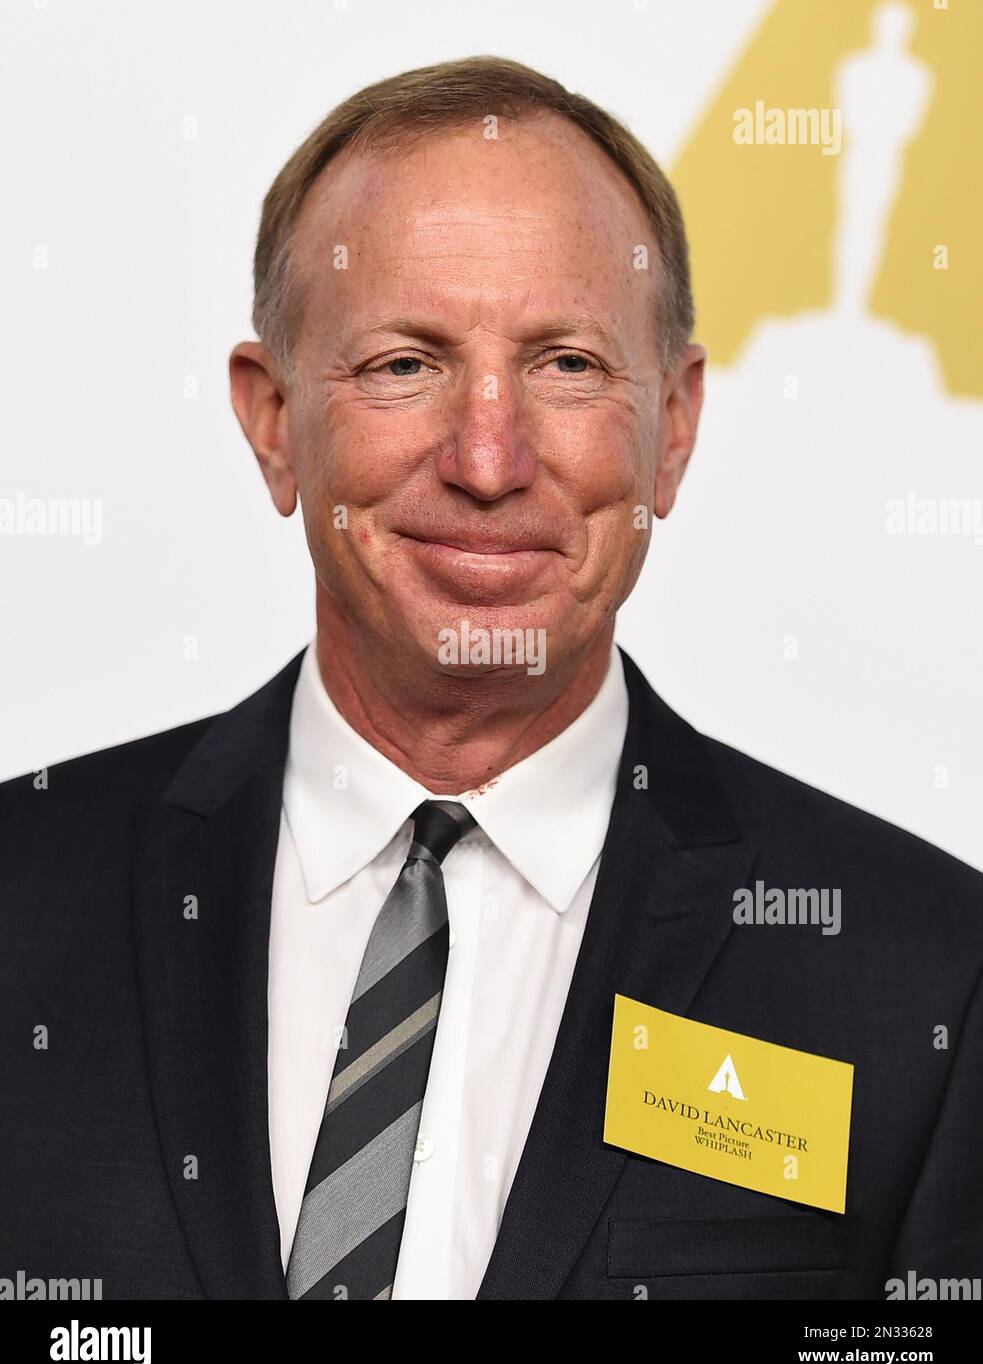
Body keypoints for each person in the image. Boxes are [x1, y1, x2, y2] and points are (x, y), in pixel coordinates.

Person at [2, 56, 981, 1301]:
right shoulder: (22, 896)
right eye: (404, 363)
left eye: (566, 364)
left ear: (671, 428)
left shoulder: (924, 978)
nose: (485, 456)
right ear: (272, 418)